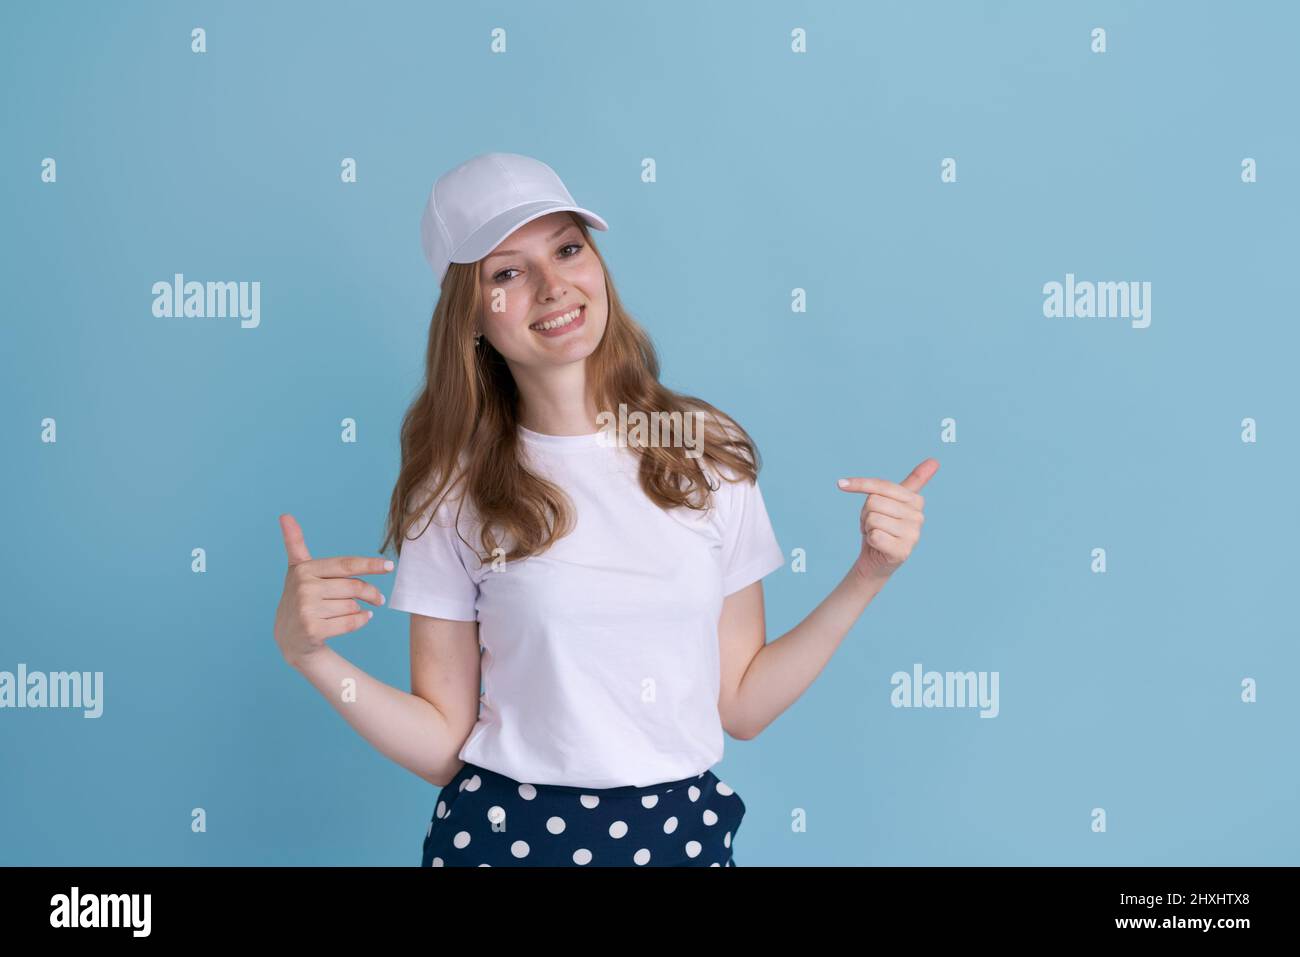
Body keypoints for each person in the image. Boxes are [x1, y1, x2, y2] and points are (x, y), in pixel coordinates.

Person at [272, 152, 938, 867]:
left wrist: (867, 574)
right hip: (504, 842)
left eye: (567, 248)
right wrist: (307, 654)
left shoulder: (705, 454)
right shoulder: (452, 493)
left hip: (680, 837)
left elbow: (741, 702)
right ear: (471, 317)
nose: (553, 286)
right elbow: (442, 744)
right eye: (507, 272)